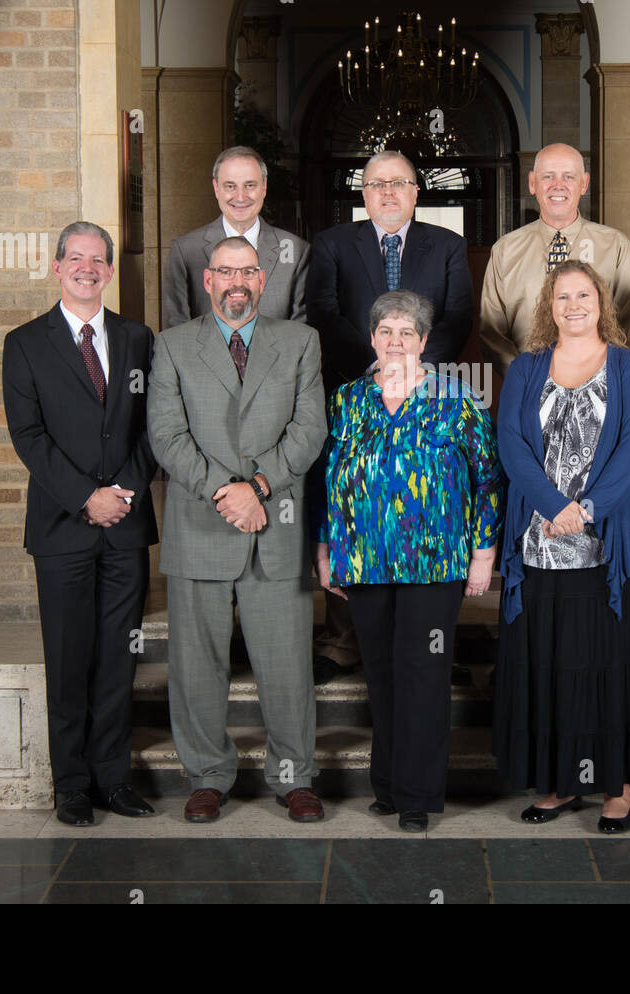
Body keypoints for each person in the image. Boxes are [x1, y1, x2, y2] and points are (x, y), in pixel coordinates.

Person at [147, 235, 328, 824]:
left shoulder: (300, 342)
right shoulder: (173, 346)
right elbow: (167, 437)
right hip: (201, 524)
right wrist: (228, 495)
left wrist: (258, 490)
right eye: (225, 272)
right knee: (197, 665)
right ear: (207, 279)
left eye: (247, 272)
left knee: (286, 663)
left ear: (263, 279)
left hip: (275, 523)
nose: (237, 283)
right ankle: (205, 776)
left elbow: (309, 430)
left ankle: (292, 776)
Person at [317, 290, 503, 832]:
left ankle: (418, 795)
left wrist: (482, 554)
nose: (395, 342)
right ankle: (388, 784)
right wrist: (327, 550)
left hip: (435, 561)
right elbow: (329, 482)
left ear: (424, 341)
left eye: (407, 333)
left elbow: (487, 479)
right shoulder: (347, 399)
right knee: (381, 675)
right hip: (367, 560)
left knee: (423, 675)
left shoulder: (458, 400)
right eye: (385, 332)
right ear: (372, 338)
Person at [493, 259, 630, 834]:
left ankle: (618, 788)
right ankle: (562, 781)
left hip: (605, 547)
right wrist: (552, 505)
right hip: (539, 544)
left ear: (601, 303)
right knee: (552, 666)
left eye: (583, 294)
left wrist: (586, 510)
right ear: (549, 306)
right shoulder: (526, 368)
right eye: (562, 296)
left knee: (607, 667)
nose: (573, 305)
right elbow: (510, 443)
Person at [2, 221, 159, 826]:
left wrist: (121, 491)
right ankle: (70, 785)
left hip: (125, 522)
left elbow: (155, 428)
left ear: (111, 271)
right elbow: (28, 436)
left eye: (98, 260)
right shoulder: (24, 343)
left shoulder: (139, 338)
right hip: (62, 526)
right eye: (76, 258)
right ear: (57, 265)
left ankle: (114, 779)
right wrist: (84, 497)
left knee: (119, 656)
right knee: (68, 658)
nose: (87, 267)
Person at [306, 150, 474, 683]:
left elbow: (458, 316)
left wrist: (411, 366)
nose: (388, 192)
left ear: (416, 191)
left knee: (427, 508)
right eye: (376, 183)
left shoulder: (446, 245)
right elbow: (324, 314)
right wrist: (378, 369)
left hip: (427, 399)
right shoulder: (333, 244)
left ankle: (427, 648)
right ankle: (343, 640)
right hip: (357, 396)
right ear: (362, 192)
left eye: (399, 183)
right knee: (357, 504)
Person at [480, 143, 630, 375]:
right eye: (548, 176)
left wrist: (601, 380)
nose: (558, 185)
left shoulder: (616, 246)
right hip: (527, 389)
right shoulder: (505, 251)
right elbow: (491, 333)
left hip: (599, 388)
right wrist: (525, 378)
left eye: (568, 176)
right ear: (532, 183)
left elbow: (628, 328)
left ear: (584, 183)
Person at [161, 145, 309, 329]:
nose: (240, 197)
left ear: (264, 187)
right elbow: (176, 334)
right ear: (216, 188)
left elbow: (300, 335)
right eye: (230, 186)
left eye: (250, 185)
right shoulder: (185, 251)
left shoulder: (297, 251)